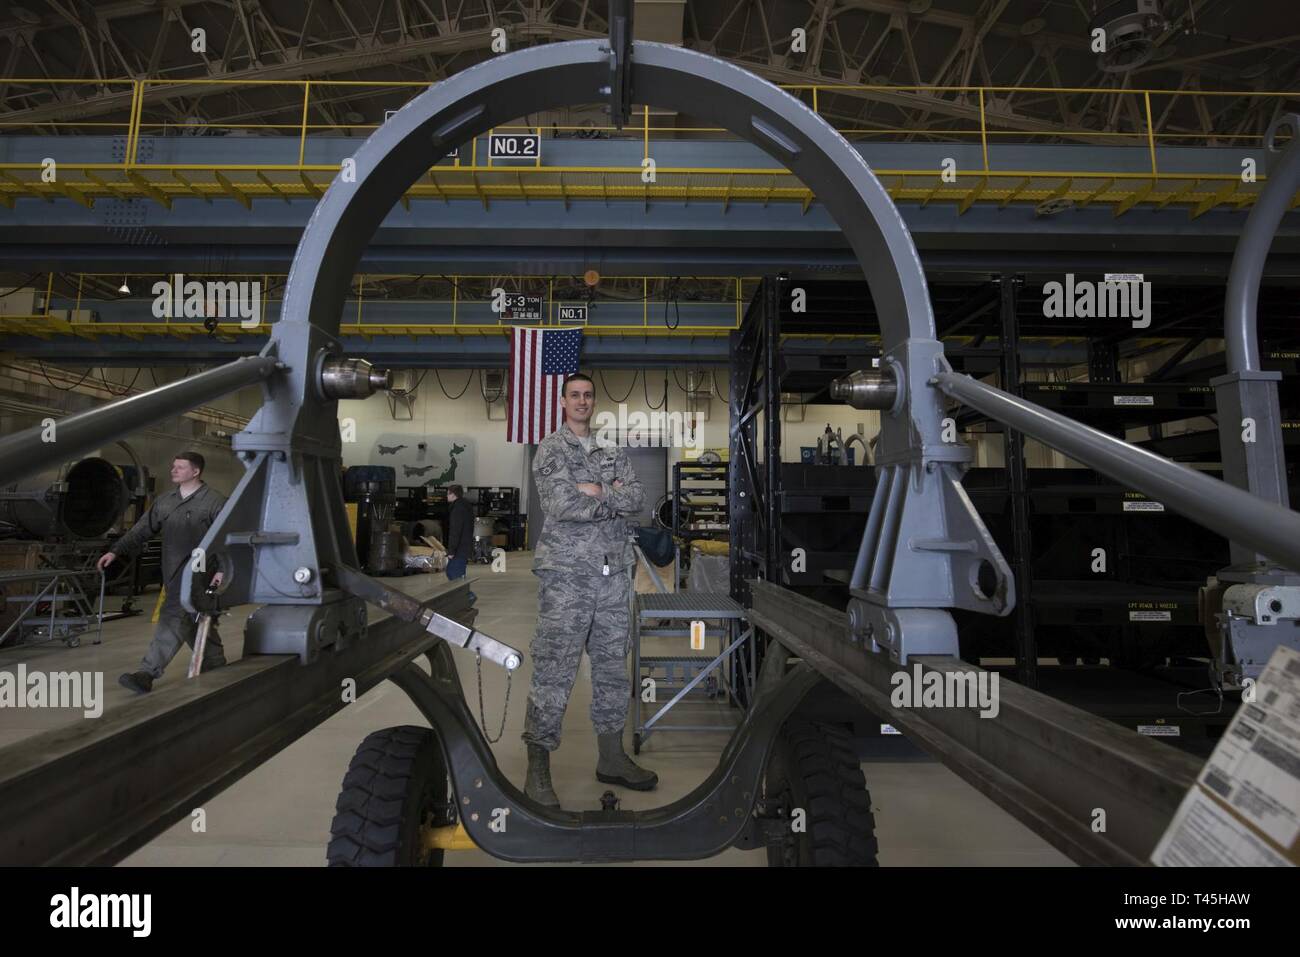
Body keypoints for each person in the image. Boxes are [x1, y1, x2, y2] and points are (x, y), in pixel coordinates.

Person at [523, 372, 656, 808]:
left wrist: (594, 492)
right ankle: (538, 770)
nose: (582, 401)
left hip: (613, 575)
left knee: (613, 669)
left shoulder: (612, 450)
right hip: (567, 577)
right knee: (554, 668)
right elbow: (559, 504)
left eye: (587, 395)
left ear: (593, 402)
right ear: (562, 402)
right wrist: (608, 494)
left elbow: (637, 498)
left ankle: (612, 758)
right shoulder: (550, 449)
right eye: (574, 395)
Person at [97, 451, 227, 694]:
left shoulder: (215, 502)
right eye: (173, 466)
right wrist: (115, 551)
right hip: (173, 573)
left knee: (174, 616)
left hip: (201, 574)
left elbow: (225, 540)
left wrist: (222, 570)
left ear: (195, 472)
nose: (173, 470)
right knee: (195, 618)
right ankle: (214, 660)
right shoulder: (165, 501)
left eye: (180, 467)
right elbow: (141, 530)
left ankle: (147, 673)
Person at [444, 484, 476, 603]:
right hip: (465, 546)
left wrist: (451, 551)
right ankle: (463, 598)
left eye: (448, 493)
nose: (446, 496)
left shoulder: (457, 509)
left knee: (453, 572)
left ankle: (468, 596)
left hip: (459, 548)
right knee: (457, 573)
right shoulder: (466, 506)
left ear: (453, 494)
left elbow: (455, 531)